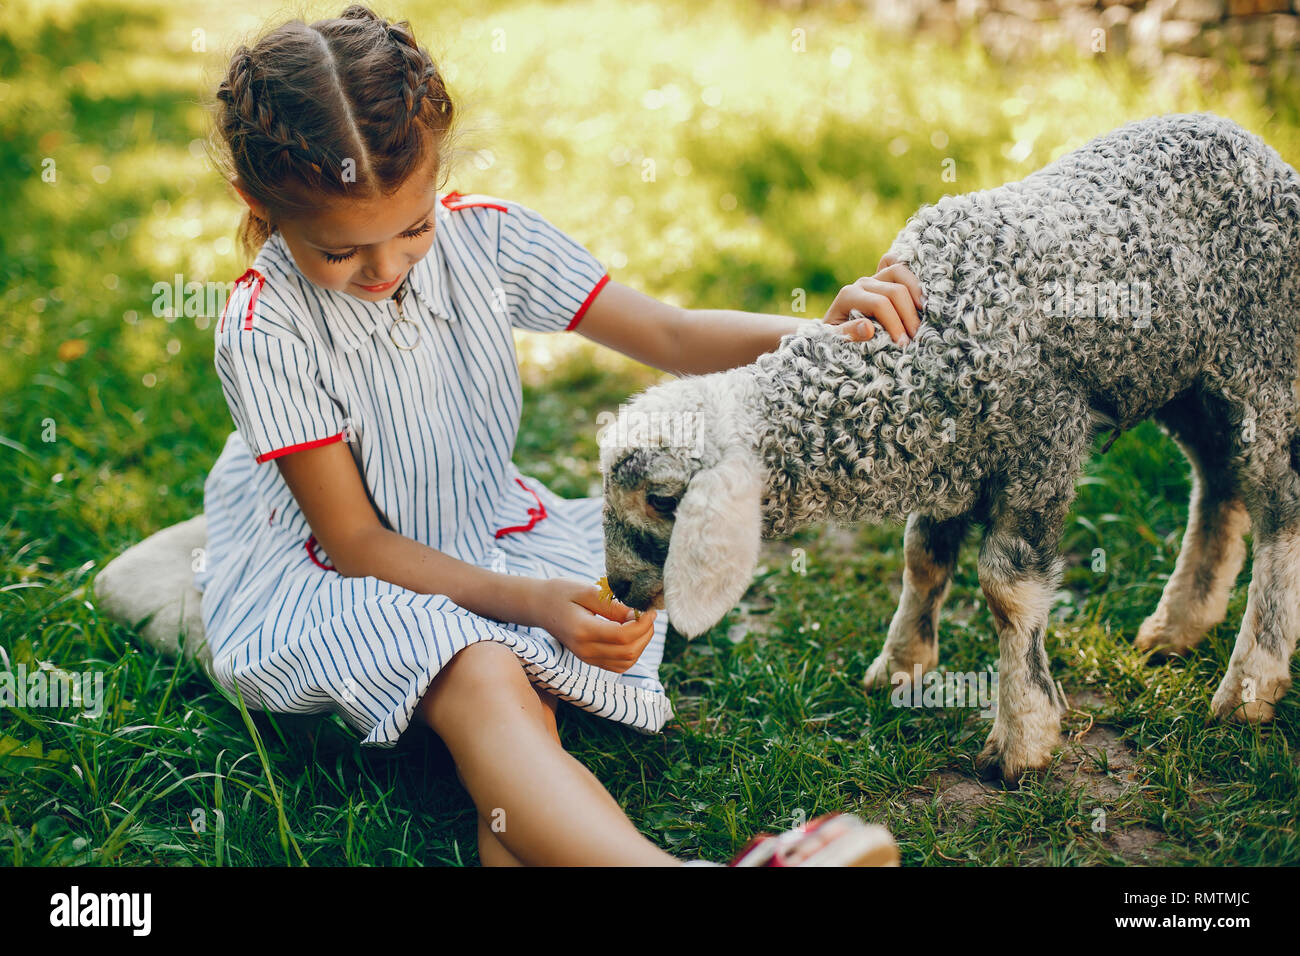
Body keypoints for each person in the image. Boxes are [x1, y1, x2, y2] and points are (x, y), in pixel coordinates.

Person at [198, 2, 922, 866]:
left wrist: (815, 337)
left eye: (414, 228)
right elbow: (354, 542)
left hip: (477, 527)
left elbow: (671, 335)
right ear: (258, 204)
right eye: (340, 252)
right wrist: (534, 601)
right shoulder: (263, 328)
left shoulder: (487, 238)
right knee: (484, 668)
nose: (386, 270)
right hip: (336, 570)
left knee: (511, 714)